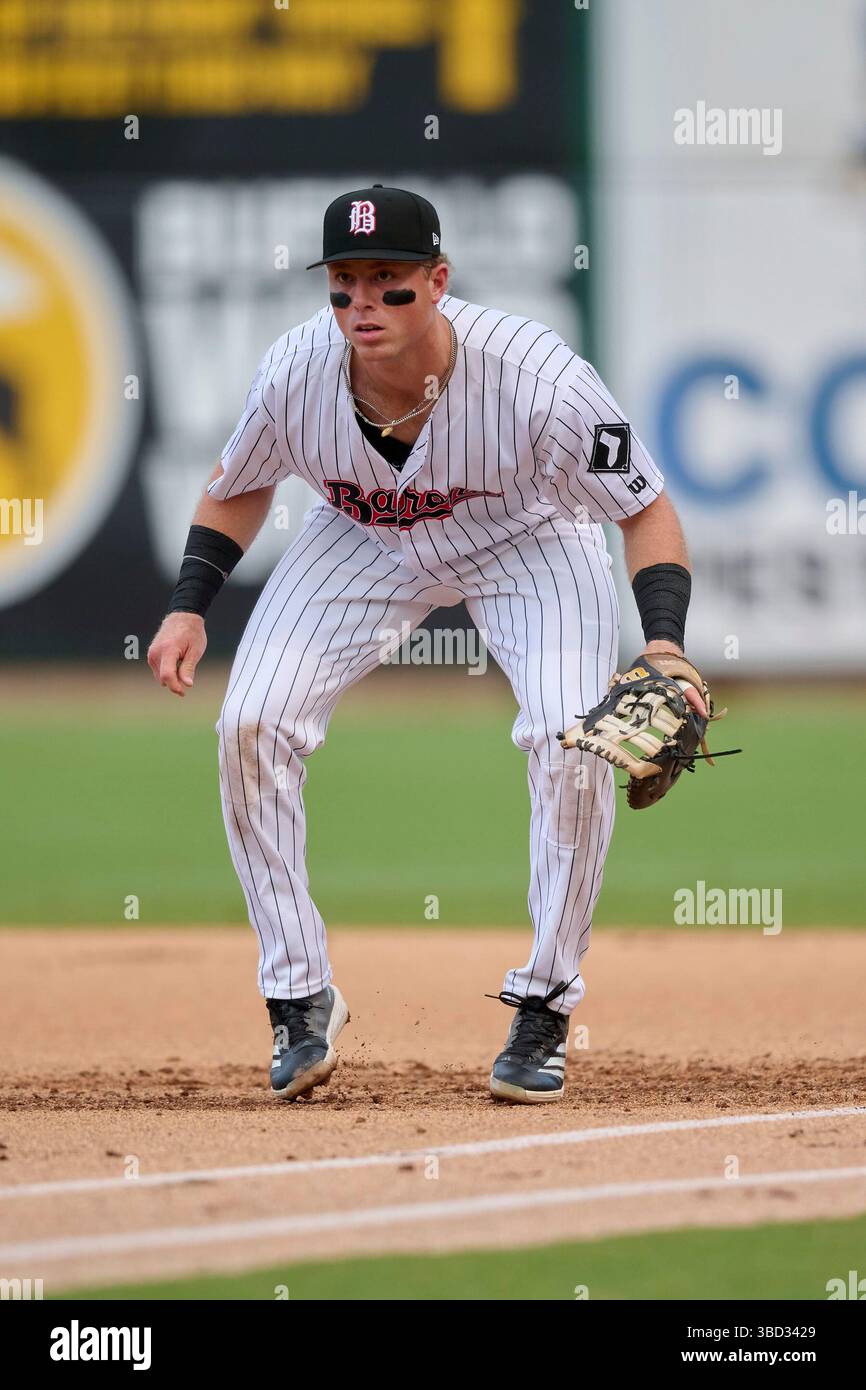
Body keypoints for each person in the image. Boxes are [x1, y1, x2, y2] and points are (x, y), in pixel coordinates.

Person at [148, 184, 704, 1105]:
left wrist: (666, 643)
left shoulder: (540, 378)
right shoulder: (295, 373)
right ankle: (298, 997)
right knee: (249, 722)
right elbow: (234, 484)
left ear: (438, 281)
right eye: (345, 282)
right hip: (362, 540)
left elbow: (643, 507)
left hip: (529, 541)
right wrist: (187, 604)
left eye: (390, 282)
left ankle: (544, 1008)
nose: (364, 302)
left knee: (572, 741)